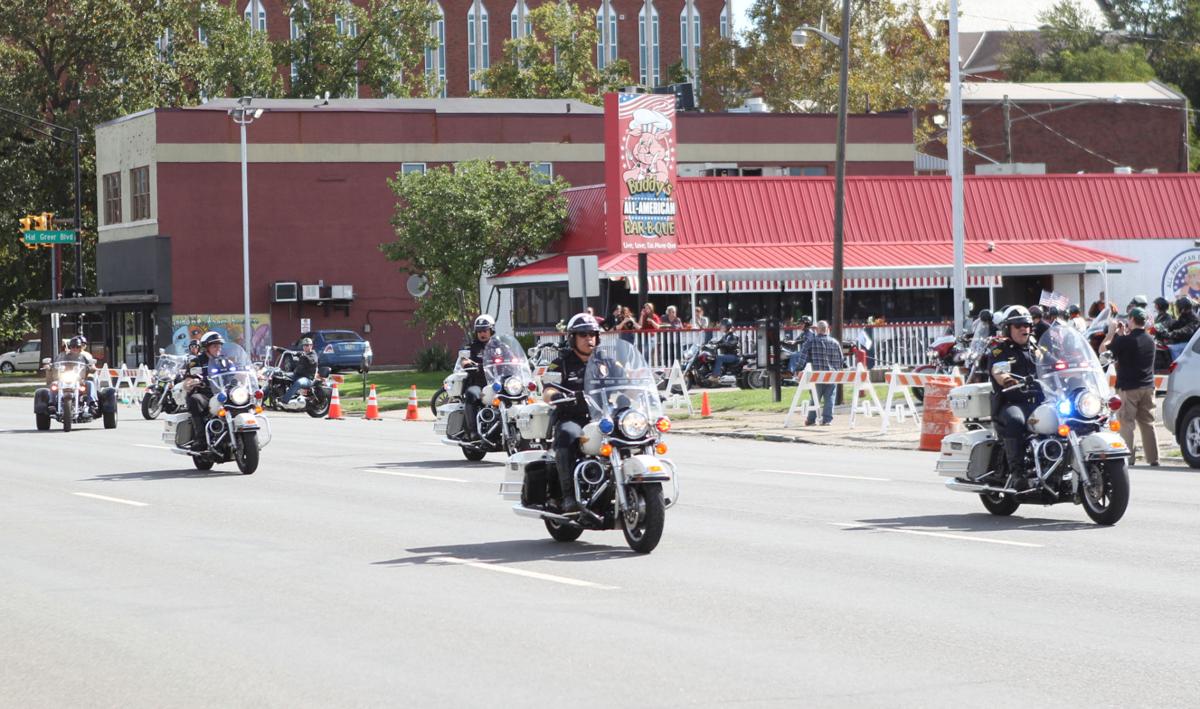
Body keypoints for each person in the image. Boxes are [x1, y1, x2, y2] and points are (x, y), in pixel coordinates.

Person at [544, 312, 601, 514]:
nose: (589, 339)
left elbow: (625, 381)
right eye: (583, 334)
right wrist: (554, 396)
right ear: (573, 338)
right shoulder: (562, 363)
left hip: (602, 418)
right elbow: (548, 389)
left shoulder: (606, 362)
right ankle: (568, 496)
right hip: (573, 417)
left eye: (592, 334)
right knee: (568, 434)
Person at [986, 306, 1044, 488]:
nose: (1023, 328)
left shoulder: (1038, 350)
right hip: (1011, 403)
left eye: (1026, 324)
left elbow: (1054, 365)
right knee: (1016, 421)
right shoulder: (1000, 351)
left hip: (1039, 403)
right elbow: (997, 370)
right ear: (1008, 329)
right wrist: (1006, 379)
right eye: (1018, 325)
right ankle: (1017, 472)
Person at [1101, 308, 1160, 467]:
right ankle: (1153, 458)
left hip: (1128, 388)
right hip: (1148, 386)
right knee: (1148, 423)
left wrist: (1112, 333)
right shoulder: (1150, 340)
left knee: (1127, 423)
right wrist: (1121, 336)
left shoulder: (1124, 341)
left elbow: (1102, 351)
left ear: (1132, 319)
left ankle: (1128, 457)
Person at [793, 320, 843, 426]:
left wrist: (798, 369)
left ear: (817, 330)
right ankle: (827, 420)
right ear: (827, 329)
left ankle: (811, 420)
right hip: (832, 375)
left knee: (815, 398)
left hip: (817, 375)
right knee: (830, 398)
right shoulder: (835, 342)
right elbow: (841, 360)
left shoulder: (810, 342)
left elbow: (802, 358)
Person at [183, 331, 226, 450]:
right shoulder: (197, 361)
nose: (218, 348)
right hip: (205, 394)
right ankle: (200, 438)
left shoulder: (224, 361)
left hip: (223, 394)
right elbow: (188, 381)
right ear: (206, 348)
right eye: (214, 346)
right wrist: (192, 382)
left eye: (219, 345)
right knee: (194, 400)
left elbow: (236, 374)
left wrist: (252, 375)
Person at [459, 315, 494, 441]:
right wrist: (467, 364)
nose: (482, 334)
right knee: (471, 394)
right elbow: (463, 359)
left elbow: (511, 357)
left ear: (491, 330)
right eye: (479, 331)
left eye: (484, 330)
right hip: (479, 383)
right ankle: (473, 431)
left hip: (497, 383)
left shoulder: (499, 345)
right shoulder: (472, 346)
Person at [55, 335, 98, 409]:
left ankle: (92, 402)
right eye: (73, 347)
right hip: (64, 379)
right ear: (70, 347)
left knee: (90, 383)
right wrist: (51, 367)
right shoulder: (64, 356)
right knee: (54, 385)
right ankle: (52, 403)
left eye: (77, 347)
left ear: (80, 348)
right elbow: (56, 364)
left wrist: (92, 367)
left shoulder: (83, 357)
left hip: (80, 379)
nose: (75, 348)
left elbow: (91, 366)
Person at [281, 337, 319, 405]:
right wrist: (277, 348)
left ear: (311, 346)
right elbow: (289, 352)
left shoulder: (313, 355)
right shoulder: (302, 353)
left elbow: (312, 361)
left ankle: (284, 401)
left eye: (307, 345)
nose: (305, 347)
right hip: (297, 375)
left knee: (298, 382)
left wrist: (304, 356)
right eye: (304, 345)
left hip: (308, 379)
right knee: (281, 375)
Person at [709, 318, 741, 384]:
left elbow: (731, 343)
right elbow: (719, 342)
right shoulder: (726, 336)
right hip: (728, 355)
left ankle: (715, 376)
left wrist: (721, 345)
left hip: (734, 356)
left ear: (727, 326)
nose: (721, 327)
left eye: (722, 326)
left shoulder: (733, 335)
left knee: (719, 358)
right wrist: (711, 343)